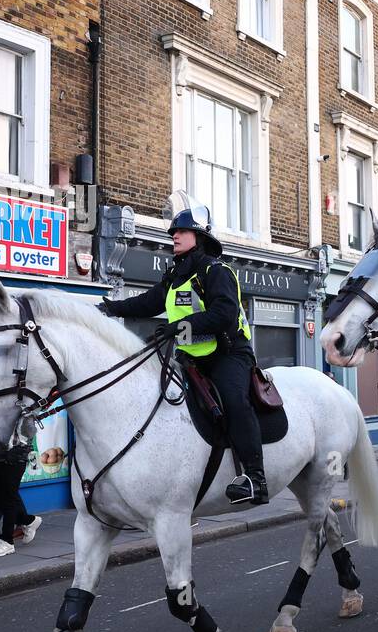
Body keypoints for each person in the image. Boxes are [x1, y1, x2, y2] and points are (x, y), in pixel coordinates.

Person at [98, 190, 267, 504]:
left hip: (229, 355)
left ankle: (255, 479)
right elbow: (149, 302)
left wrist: (177, 327)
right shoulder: (175, 276)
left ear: (199, 236)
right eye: (173, 230)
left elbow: (223, 314)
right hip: (192, 358)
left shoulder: (216, 272)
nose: (173, 235)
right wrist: (112, 308)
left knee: (233, 399)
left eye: (181, 230)